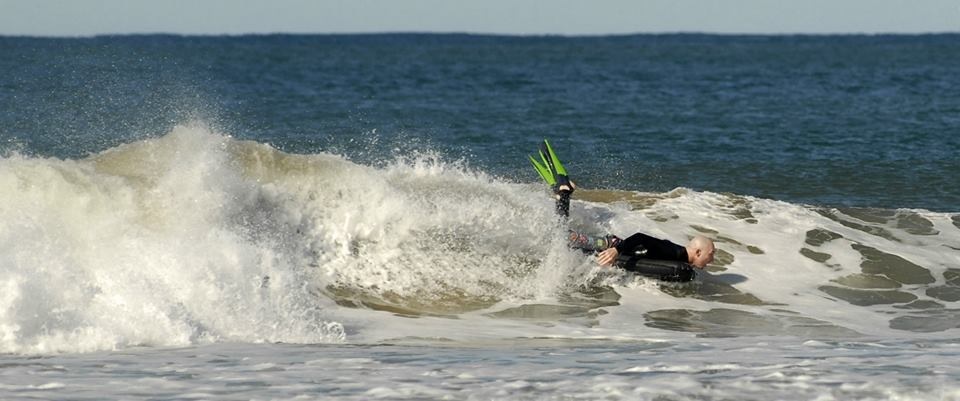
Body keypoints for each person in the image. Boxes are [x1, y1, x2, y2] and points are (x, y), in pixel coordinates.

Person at [529, 140, 716, 271]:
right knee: (560, 238)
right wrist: (615, 251)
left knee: (560, 237)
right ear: (698, 252)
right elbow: (642, 238)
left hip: (614, 245)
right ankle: (564, 191)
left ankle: (561, 194)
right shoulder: (674, 252)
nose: (712, 259)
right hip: (610, 244)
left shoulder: (680, 257)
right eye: (711, 254)